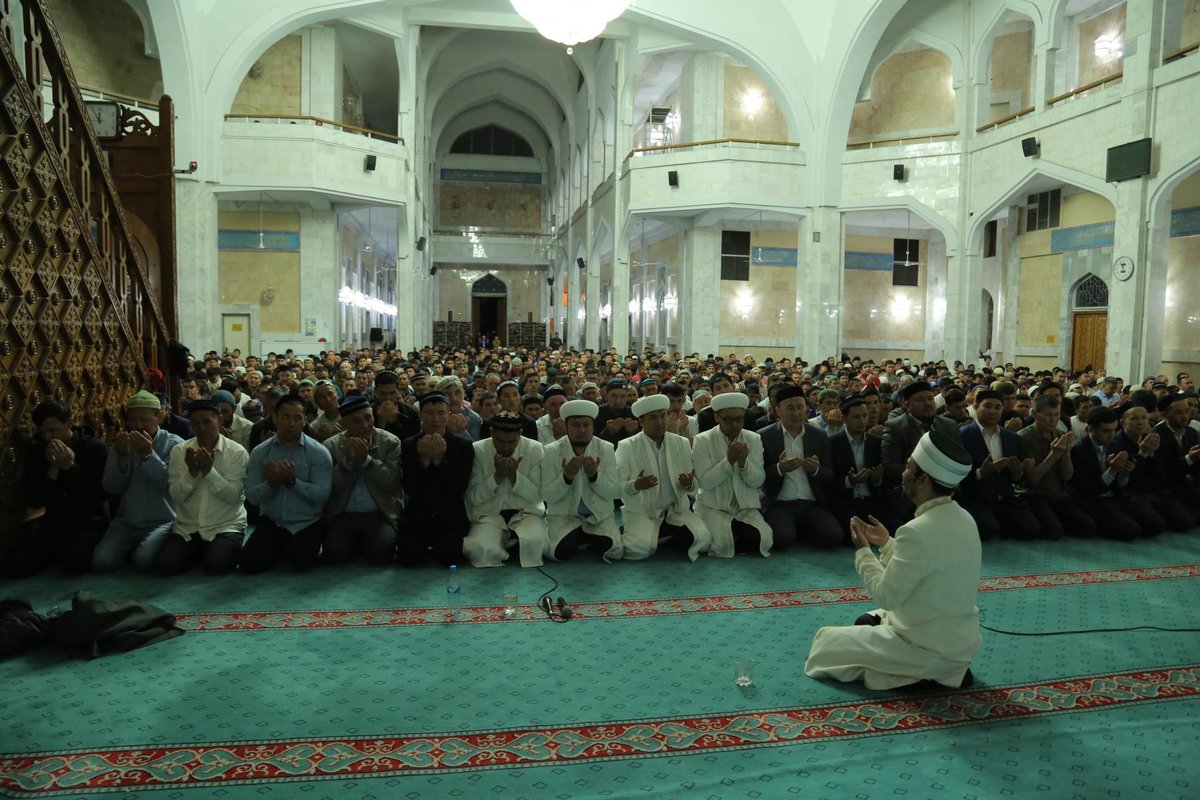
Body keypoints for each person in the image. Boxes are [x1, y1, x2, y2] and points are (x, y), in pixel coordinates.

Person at [804, 429, 980, 690]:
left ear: (922, 480)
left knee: (824, 644)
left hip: (922, 646)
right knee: (867, 620)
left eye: (909, 467)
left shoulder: (917, 530)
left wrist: (863, 551)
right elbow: (924, 562)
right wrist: (886, 543)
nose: (903, 473)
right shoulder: (964, 518)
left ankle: (920, 673)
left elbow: (886, 596)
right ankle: (941, 671)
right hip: (960, 643)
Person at [3, 401, 109, 576]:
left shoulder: (93, 447)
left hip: (88, 521)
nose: (48, 437)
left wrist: (71, 468)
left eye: (53, 430)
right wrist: (52, 470)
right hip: (53, 523)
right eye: (43, 432)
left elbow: (99, 493)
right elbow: (35, 501)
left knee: (74, 563)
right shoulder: (38, 451)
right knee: (16, 567)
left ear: (69, 423)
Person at [93, 390, 183, 572]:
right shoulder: (121, 444)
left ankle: (144, 550)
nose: (138, 425)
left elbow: (170, 487)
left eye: (144, 420)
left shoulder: (175, 445)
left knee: (143, 561)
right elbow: (111, 487)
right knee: (102, 562)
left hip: (164, 521)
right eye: (132, 420)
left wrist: (148, 455)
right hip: (127, 522)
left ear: (158, 416)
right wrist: (122, 458)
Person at [155, 399, 248, 575]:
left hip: (224, 525)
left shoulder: (237, 452)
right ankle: (202, 550)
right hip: (188, 527)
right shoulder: (180, 451)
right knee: (165, 566)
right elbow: (176, 496)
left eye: (207, 421)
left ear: (220, 421)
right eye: (196, 423)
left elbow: (233, 496)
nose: (202, 428)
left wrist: (207, 471)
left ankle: (210, 550)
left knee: (217, 566)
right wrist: (191, 472)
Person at [242, 393, 333, 571]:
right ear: (275, 418)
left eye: (297, 418)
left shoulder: (319, 453)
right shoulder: (260, 452)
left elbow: (323, 495)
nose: (291, 424)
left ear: (305, 420)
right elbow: (252, 497)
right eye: (285, 417)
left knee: (300, 563)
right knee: (248, 564)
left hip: (307, 521)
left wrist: (292, 482)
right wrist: (272, 483)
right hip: (272, 520)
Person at [616, 393, 712, 561]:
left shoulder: (681, 443)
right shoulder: (626, 446)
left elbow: (694, 485)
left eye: (663, 416)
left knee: (703, 540)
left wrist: (689, 484)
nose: (660, 422)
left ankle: (660, 533)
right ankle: (649, 533)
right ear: (641, 422)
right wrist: (635, 485)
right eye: (653, 418)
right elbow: (617, 487)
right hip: (642, 512)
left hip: (675, 510)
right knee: (640, 550)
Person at [758, 386, 843, 549]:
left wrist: (816, 470)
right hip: (780, 503)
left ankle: (800, 529)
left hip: (810, 503)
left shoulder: (818, 435)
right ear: (778, 411)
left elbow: (830, 474)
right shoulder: (764, 436)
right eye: (790, 408)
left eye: (800, 407)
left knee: (834, 536)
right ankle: (793, 530)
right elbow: (758, 477)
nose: (796, 413)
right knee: (781, 539)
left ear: (807, 409)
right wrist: (779, 468)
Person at [322, 395, 402, 564]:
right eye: (356, 421)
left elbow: (392, 483)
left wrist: (367, 462)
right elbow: (330, 488)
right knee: (334, 555)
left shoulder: (390, 442)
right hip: (343, 514)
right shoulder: (330, 446)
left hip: (380, 513)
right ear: (344, 425)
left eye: (368, 417)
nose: (365, 425)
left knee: (381, 554)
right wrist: (348, 463)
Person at [541, 399, 623, 561]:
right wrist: (567, 477)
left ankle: (584, 536)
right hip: (565, 516)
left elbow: (614, 492)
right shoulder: (552, 451)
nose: (582, 430)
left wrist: (594, 475)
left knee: (614, 551)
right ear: (566, 426)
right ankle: (581, 537)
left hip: (598, 516)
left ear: (593, 425)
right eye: (576, 425)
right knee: (559, 553)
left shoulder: (605, 448)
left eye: (586, 425)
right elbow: (547, 496)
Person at [398, 393, 474, 566]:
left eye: (441, 413)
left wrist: (440, 461)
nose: (435, 419)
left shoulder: (462, 446)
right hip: (418, 514)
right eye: (430, 413)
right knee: (409, 558)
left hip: (449, 514)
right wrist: (424, 462)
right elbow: (409, 488)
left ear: (448, 414)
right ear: (420, 415)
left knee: (450, 557)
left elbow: (459, 487)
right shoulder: (409, 445)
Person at [692, 392, 772, 557]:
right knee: (712, 542)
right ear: (717, 418)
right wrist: (728, 462)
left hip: (745, 507)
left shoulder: (754, 439)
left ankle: (737, 533)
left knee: (764, 540)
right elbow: (704, 482)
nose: (735, 424)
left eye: (739, 419)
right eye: (728, 419)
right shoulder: (702, 440)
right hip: (713, 506)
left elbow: (758, 481)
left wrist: (743, 464)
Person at [463, 411, 547, 567]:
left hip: (526, 513)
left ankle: (507, 541)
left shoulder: (534, 449)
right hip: (489, 514)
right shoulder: (478, 450)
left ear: (520, 434)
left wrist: (515, 477)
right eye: (500, 441)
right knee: (479, 551)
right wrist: (497, 477)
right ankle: (508, 541)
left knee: (540, 544)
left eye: (512, 442)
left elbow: (537, 496)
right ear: (491, 433)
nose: (506, 447)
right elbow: (472, 498)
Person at [958, 390, 1040, 540]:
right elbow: (957, 476)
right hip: (977, 497)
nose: (993, 411)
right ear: (975, 406)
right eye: (987, 406)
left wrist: (1017, 473)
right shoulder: (963, 436)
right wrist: (982, 472)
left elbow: (1016, 479)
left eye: (997, 407)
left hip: (1005, 496)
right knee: (988, 531)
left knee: (1031, 530)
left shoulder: (1011, 437)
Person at [1017, 395, 1094, 539]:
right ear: (1034, 414)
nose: (1053, 420)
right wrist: (1054, 453)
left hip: (1057, 493)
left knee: (1087, 526)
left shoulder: (1060, 434)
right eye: (1048, 415)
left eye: (1056, 414)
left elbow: (1067, 475)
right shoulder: (1024, 437)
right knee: (1054, 531)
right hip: (1034, 494)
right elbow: (1033, 478)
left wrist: (1065, 455)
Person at [828, 397, 893, 541]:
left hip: (871, 501)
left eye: (865, 415)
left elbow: (882, 480)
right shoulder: (832, 443)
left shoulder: (875, 443)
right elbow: (828, 481)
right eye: (856, 417)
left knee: (895, 529)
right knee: (850, 536)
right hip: (846, 503)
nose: (862, 421)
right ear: (844, 418)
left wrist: (877, 480)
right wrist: (849, 481)